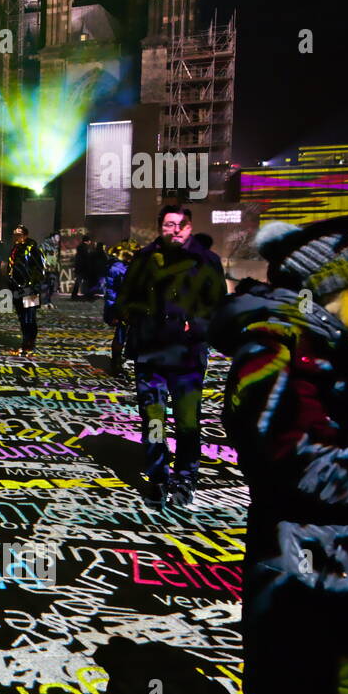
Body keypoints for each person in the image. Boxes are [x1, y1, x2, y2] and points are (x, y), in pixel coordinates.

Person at [208, 216, 348, 694]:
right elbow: (291, 463)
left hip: (337, 583)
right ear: (328, 288)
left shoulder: (339, 348)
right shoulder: (273, 350)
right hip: (304, 582)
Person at [116, 206, 225, 508]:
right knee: (154, 420)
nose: (175, 230)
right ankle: (158, 476)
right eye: (168, 224)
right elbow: (124, 301)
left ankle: (186, 477)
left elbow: (219, 307)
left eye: (181, 225)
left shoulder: (207, 261)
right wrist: (139, 317)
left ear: (190, 228)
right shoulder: (143, 259)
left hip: (188, 357)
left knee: (188, 421)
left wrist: (197, 324)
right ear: (160, 227)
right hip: (151, 354)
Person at [6, 225, 44, 355]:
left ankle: (30, 344)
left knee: (30, 318)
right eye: (14, 234)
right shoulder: (15, 249)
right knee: (22, 317)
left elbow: (39, 269)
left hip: (30, 289)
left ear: (25, 235)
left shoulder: (32, 249)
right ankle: (25, 342)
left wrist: (34, 287)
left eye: (19, 234)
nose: (16, 237)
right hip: (16, 289)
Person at [100, 242, 134, 376]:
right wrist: (113, 310)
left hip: (128, 304)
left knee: (123, 334)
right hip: (120, 306)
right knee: (120, 334)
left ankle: (118, 362)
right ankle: (116, 364)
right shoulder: (116, 268)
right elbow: (111, 291)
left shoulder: (125, 266)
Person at [71, 235, 94, 299]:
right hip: (83, 268)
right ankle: (87, 294)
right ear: (88, 241)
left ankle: (74, 294)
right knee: (86, 281)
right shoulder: (85, 248)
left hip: (79, 267)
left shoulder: (80, 247)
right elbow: (86, 258)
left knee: (78, 281)